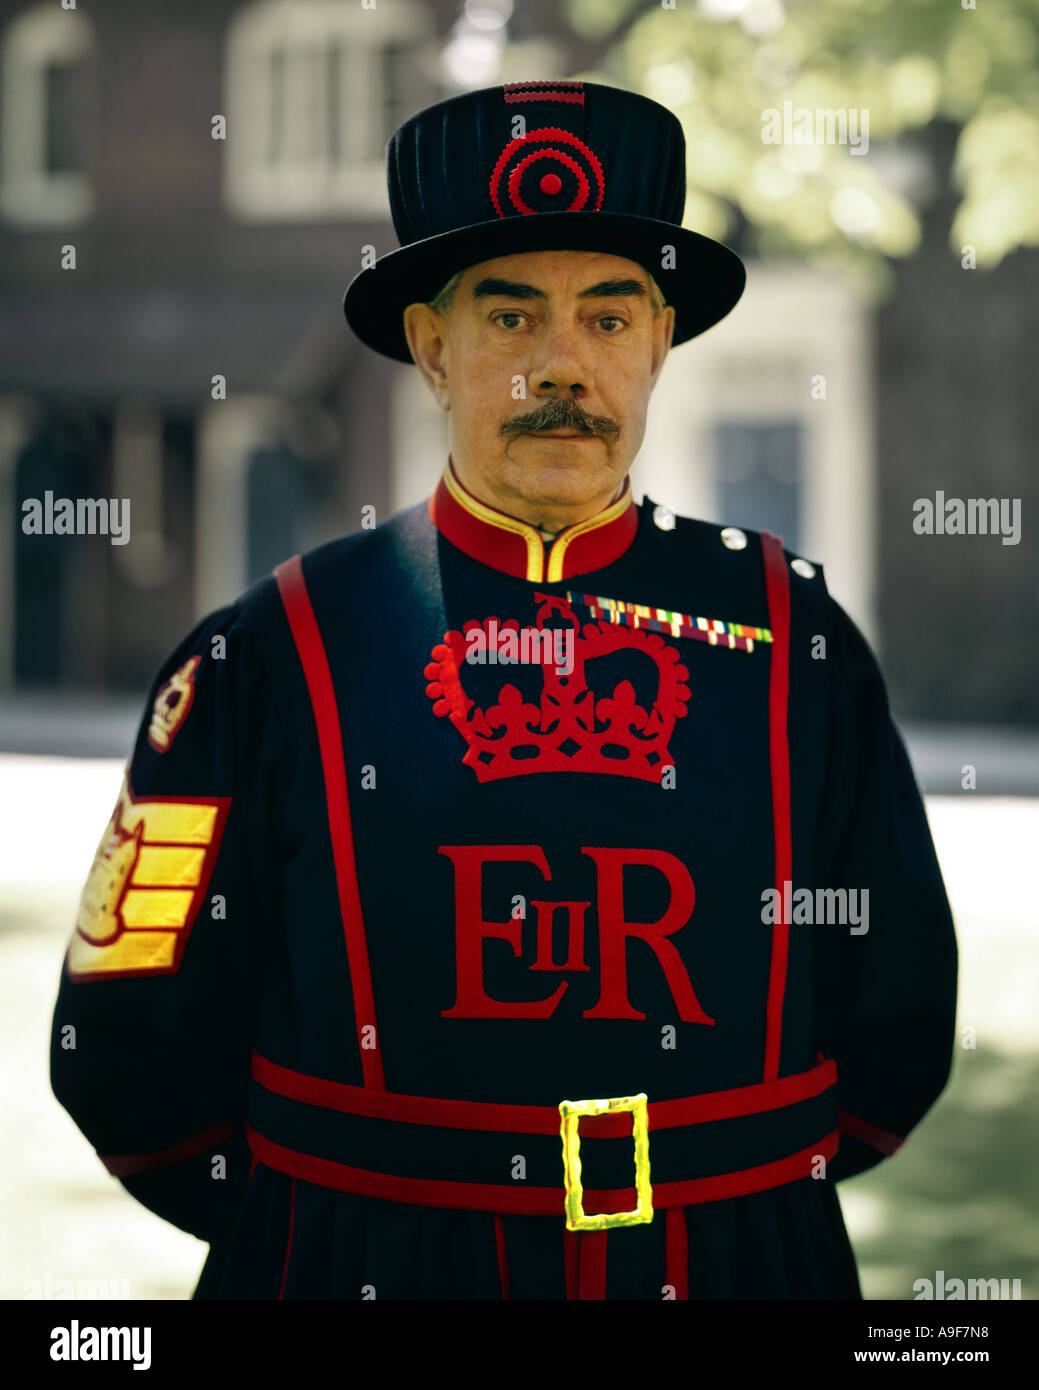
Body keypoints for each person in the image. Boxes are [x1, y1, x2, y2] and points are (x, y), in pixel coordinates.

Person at [50, 80, 957, 1300]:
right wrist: (320, 1218)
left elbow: (899, 1001)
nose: (563, 368)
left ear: (661, 341)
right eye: (512, 318)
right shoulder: (271, 651)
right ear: (433, 347)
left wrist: (736, 1191)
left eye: (608, 317)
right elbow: (124, 1039)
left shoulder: (793, 634)